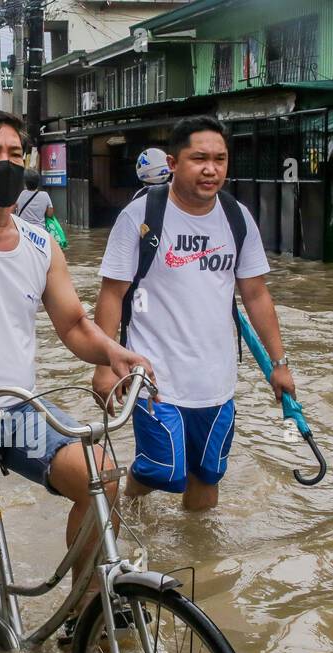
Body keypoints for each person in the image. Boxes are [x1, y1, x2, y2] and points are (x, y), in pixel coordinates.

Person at [0, 109, 154, 641]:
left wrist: (114, 353)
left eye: (15, 155)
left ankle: (85, 611)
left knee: (103, 477)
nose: (7, 165)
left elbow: (74, 323)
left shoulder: (40, 243)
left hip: (18, 412)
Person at [93, 115, 295, 513]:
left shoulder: (237, 218)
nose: (211, 169)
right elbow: (111, 294)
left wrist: (279, 363)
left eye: (220, 159)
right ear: (172, 163)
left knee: (206, 475)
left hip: (216, 381)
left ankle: (201, 559)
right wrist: (104, 365)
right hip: (152, 376)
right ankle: (129, 501)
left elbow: (255, 295)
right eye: (199, 158)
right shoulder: (140, 217)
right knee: (161, 471)